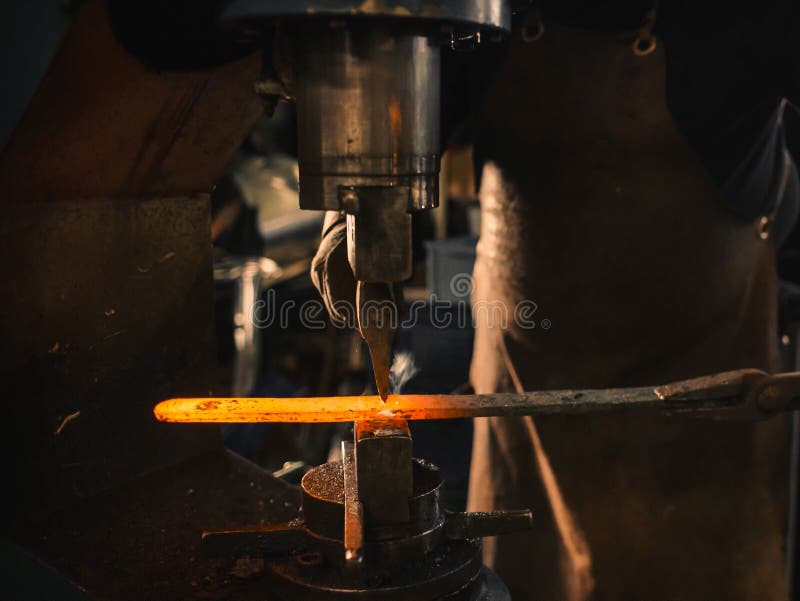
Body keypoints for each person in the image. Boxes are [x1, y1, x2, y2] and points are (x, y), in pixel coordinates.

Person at [313, 2, 800, 599]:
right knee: (524, 576)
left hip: (705, 382)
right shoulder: (481, 11)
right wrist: (352, 209)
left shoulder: (758, 20)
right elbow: (391, 100)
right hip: (527, 385)